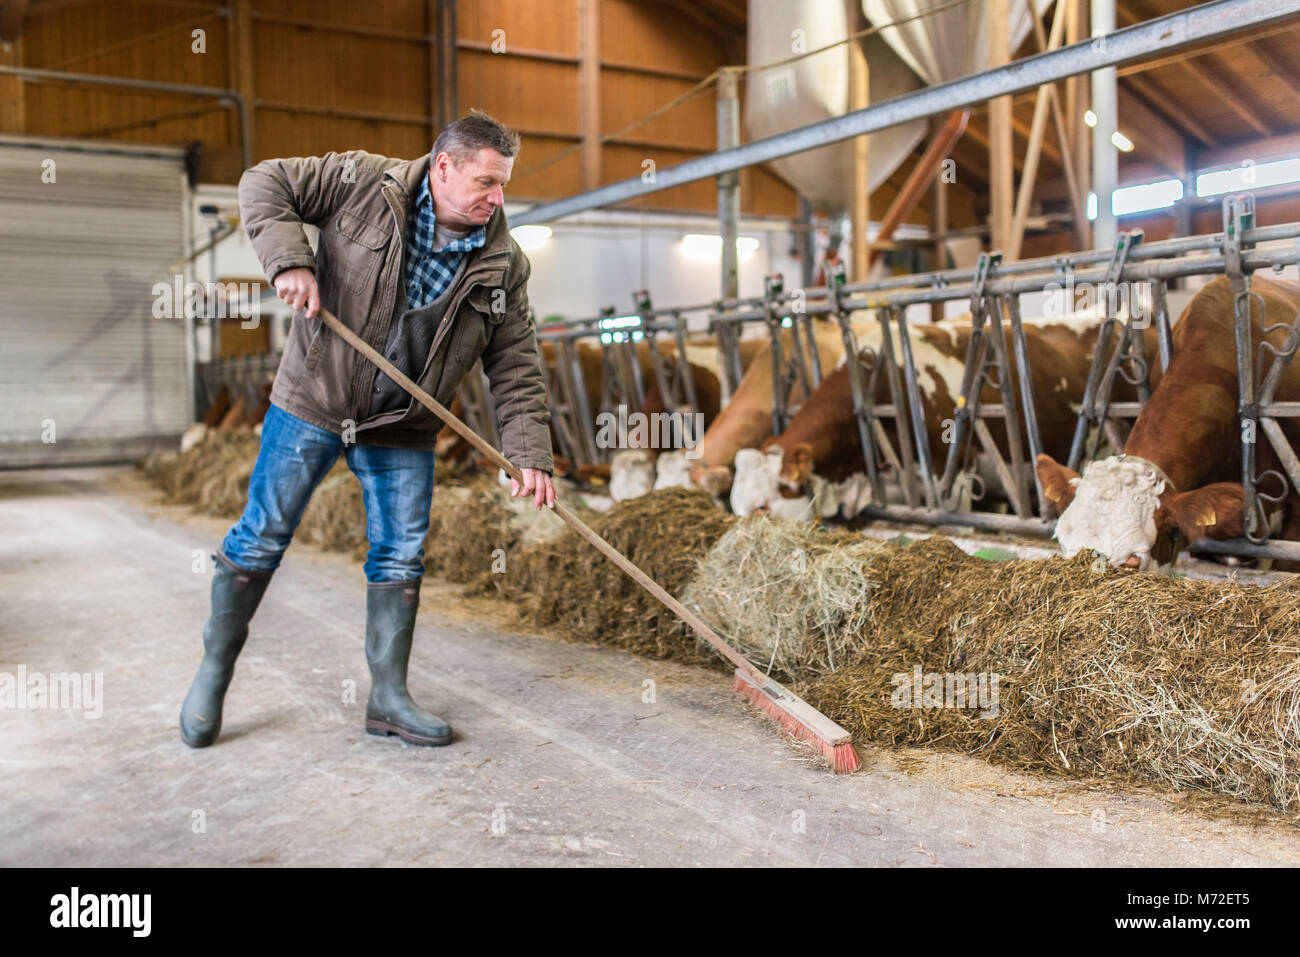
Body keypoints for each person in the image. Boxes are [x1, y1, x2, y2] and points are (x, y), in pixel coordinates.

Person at [180, 110, 555, 750]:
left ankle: (388, 698)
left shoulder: (503, 265)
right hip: (315, 398)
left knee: (401, 553)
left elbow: (516, 366)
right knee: (263, 534)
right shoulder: (361, 182)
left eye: (503, 184)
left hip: (403, 425)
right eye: (486, 183)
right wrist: (289, 262)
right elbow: (264, 181)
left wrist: (529, 454)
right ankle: (214, 669)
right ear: (443, 167)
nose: (498, 199)